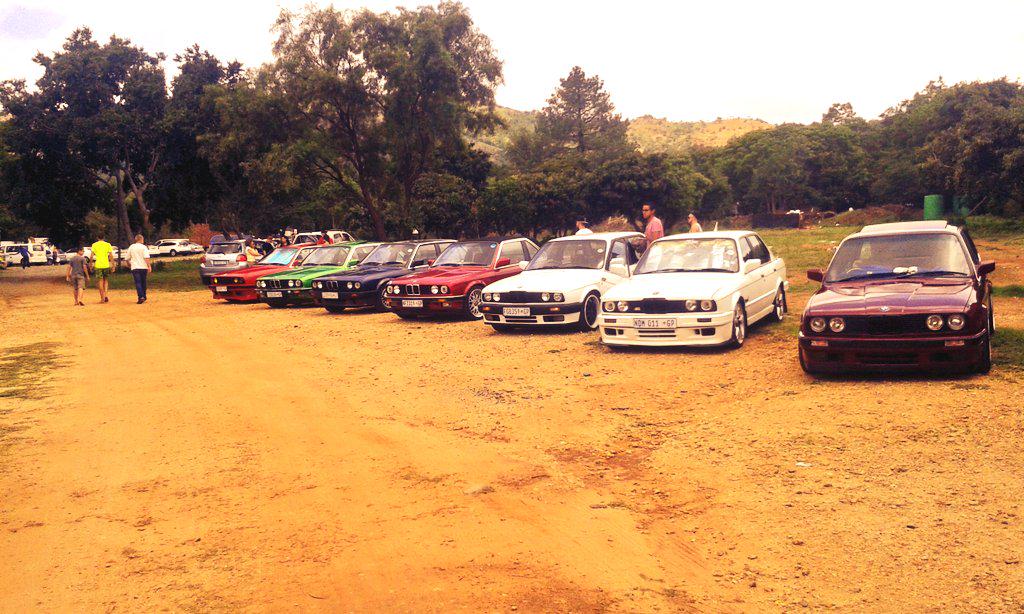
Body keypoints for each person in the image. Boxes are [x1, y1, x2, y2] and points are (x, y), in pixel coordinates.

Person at [126, 234, 151, 304]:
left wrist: (129, 264)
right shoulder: (144, 247)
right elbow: (146, 257)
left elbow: (127, 258)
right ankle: (144, 296)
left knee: (138, 282)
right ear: (141, 239)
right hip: (143, 267)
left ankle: (141, 296)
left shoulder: (132, 247)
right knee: (143, 282)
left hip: (135, 267)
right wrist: (149, 266)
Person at [90, 234, 115, 303]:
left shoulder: (94, 245)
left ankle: (102, 297)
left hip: (98, 265)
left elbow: (91, 256)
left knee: (100, 281)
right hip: (106, 265)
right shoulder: (108, 245)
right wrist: (113, 265)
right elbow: (111, 256)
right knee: (106, 280)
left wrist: (90, 265)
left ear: (97, 237)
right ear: (104, 238)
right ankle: (106, 295)